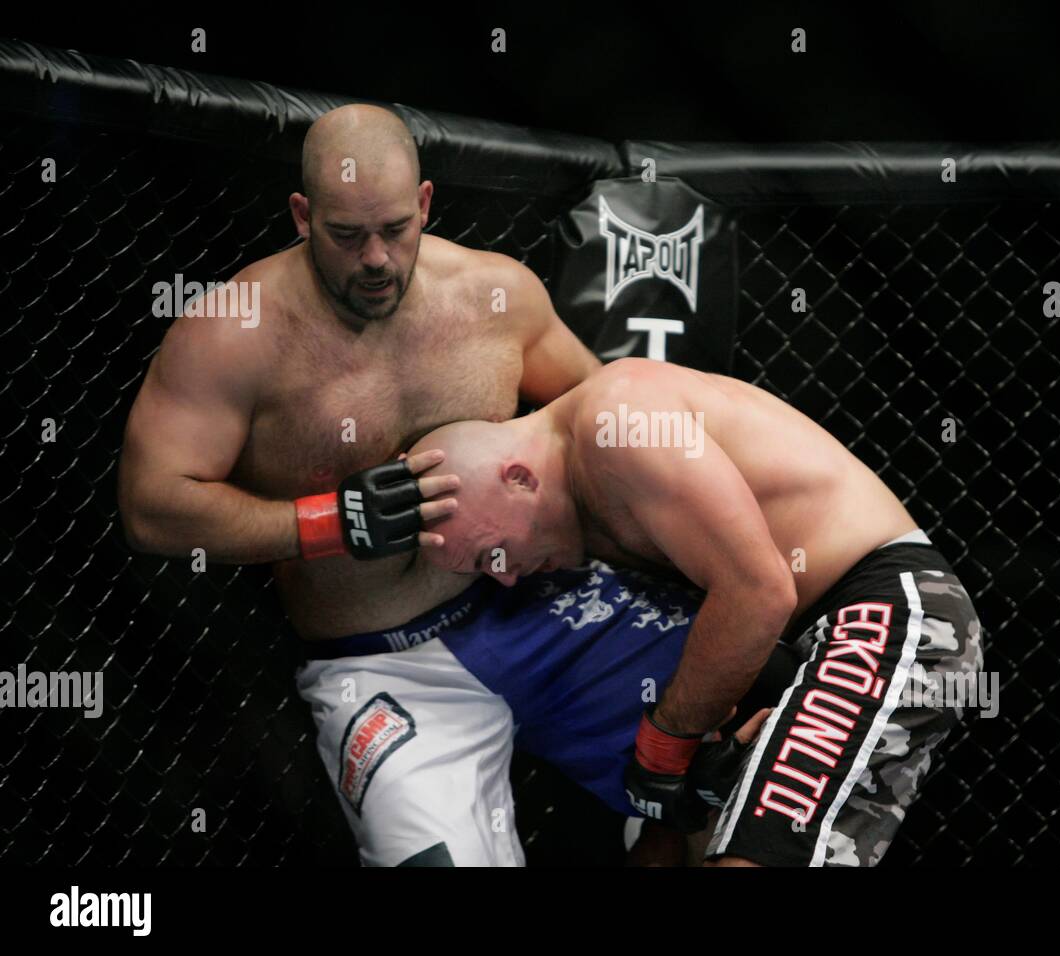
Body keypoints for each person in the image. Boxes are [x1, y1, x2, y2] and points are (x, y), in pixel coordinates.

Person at [118, 104, 705, 866]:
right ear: (302, 217)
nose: (375, 259)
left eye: (395, 230)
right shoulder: (233, 333)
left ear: (426, 204)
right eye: (346, 235)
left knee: (725, 767)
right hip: (380, 661)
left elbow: (603, 424)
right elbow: (152, 509)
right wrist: (328, 522)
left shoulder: (497, 297)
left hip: (533, 604)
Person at [411, 356, 985, 866]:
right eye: (486, 570)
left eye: (494, 553)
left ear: (518, 478)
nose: (506, 576)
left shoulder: (623, 422)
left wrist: (663, 749)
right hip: (798, 653)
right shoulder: (581, 491)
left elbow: (759, 594)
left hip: (891, 615)